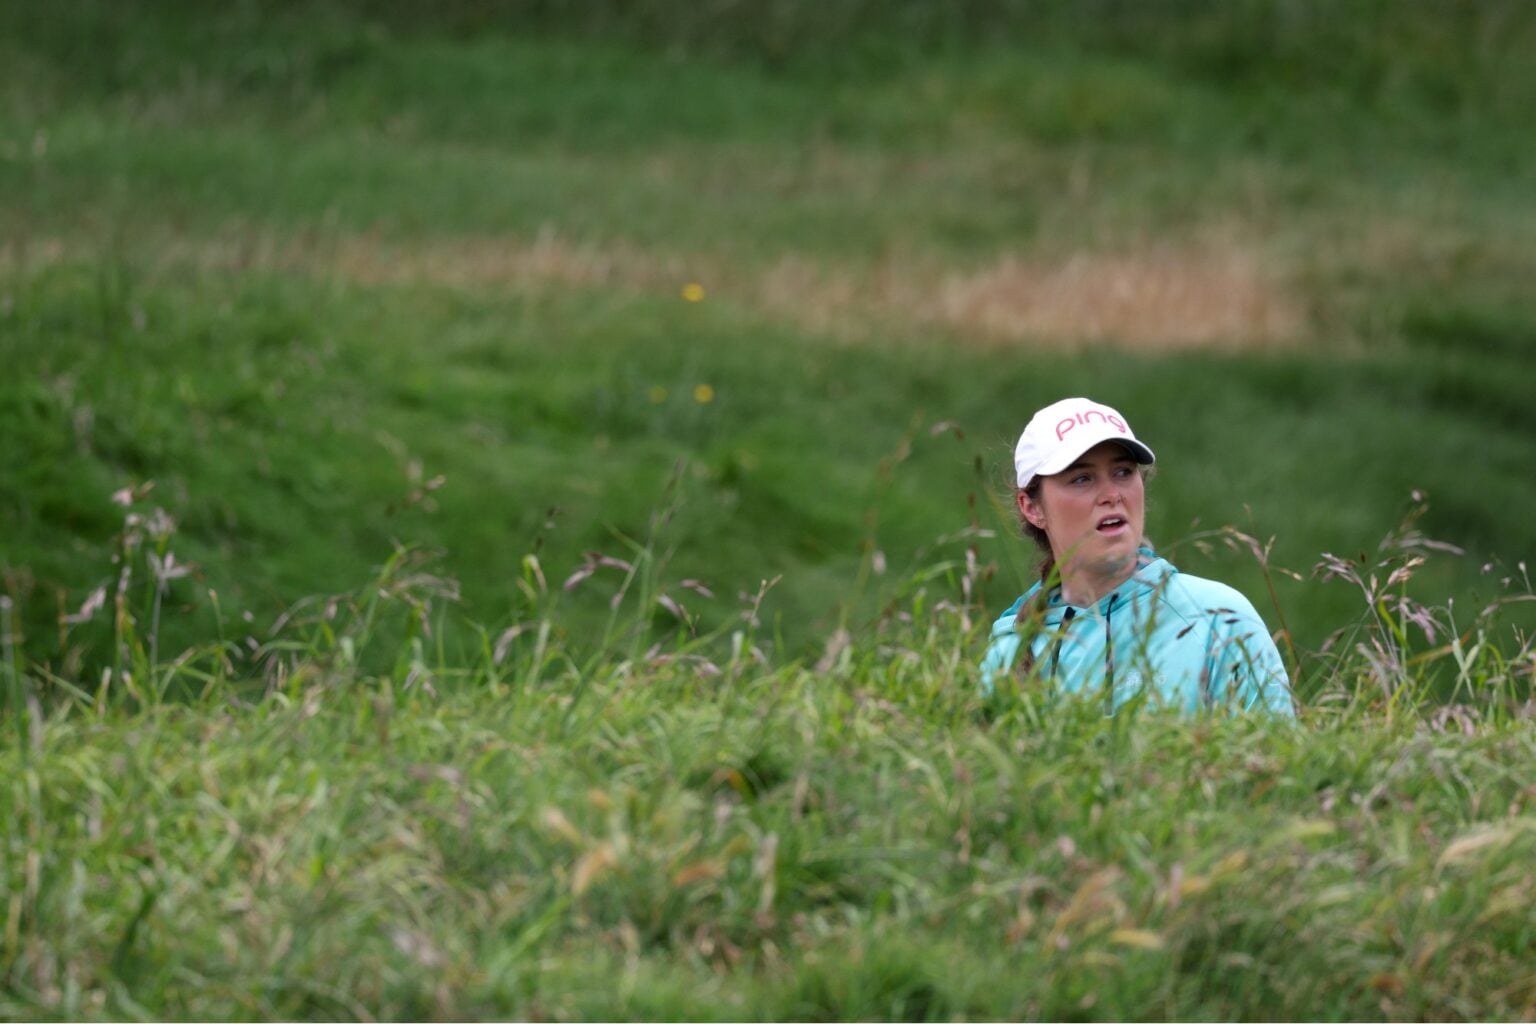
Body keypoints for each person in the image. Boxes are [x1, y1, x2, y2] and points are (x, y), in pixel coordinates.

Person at [980, 396, 1295, 716]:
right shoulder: (1009, 647)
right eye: (1082, 478)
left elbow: (1275, 760)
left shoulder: (1219, 618)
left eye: (1123, 472)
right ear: (1032, 508)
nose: (1112, 494)